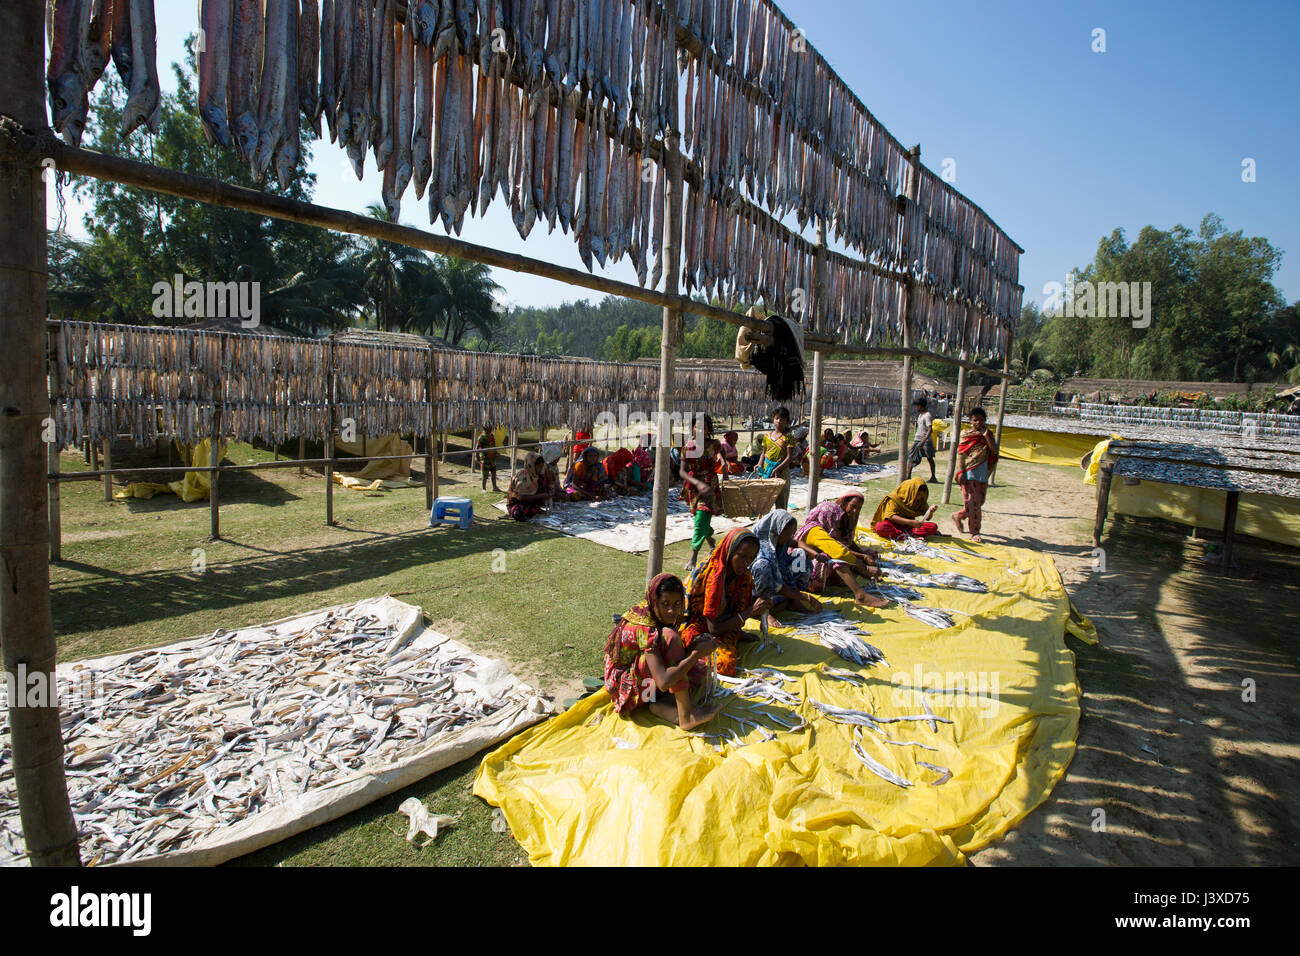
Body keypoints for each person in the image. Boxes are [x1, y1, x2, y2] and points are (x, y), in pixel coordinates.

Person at [604, 574, 723, 730]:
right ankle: (686, 716)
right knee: (672, 639)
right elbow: (664, 681)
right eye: (665, 604)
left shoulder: (653, 612)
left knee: (699, 669)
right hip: (624, 685)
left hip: (646, 682)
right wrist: (695, 654)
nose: (671, 610)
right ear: (654, 601)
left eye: (677, 603)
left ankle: (659, 705)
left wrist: (694, 650)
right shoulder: (646, 628)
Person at [682, 528, 772, 677]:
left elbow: (738, 603)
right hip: (696, 625)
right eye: (742, 556)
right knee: (724, 664)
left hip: (719, 624)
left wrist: (761, 604)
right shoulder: (714, 575)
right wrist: (750, 611)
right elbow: (713, 628)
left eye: (751, 557)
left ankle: (734, 633)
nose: (746, 562)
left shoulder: (744, 576)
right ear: (730, 551)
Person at [794, 493, 889, 608]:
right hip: (799, 576)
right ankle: (860, 595)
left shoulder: (822, 528)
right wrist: (864, 567)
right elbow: (840, 552)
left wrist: (862, 560)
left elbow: (843, 546)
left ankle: (862, 578)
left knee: (840, 557)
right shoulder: (815, 531)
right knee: (837, 559)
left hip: (805, 568)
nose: (837, 522)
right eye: (835, 518)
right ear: (827, 516)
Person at [750, 510, 822, 612]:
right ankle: (763, 611)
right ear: (776, 531)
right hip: (761, 588)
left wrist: (816, 554)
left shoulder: (779, 539)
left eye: (791, 533)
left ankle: (793, 601)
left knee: (800, 554)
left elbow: (797, 543)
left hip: (780, 581)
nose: (790, 536)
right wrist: (806, 597)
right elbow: (777, 585)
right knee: (763, 566)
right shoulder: (761, 549)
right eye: (787, 533)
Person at [681, 416, 723, 570]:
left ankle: (693, 556)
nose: (700, 430)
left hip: (710, 485)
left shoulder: (714, 444)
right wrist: (697, 483)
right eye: (696, 427)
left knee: (701, 516)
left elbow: (721, 453)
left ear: (708, 429)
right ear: (692, 428)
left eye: (703, 427)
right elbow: (682, 472)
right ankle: (710, 540)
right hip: (694, 486)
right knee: (700, 518)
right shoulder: (688, 447)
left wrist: (723, 464)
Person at [953, 406, 999, 543]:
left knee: (979, 502)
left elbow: (995, 451)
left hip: (983, 472)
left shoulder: (988, 435)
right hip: (968, 472)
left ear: (985, 420)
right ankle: (975, 531)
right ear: (970, 421)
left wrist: (986, 437)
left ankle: (958, 515)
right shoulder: (965, 435)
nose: (977, 423)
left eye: (980, 420)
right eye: (974, 420)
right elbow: (961, 454)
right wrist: (960, 472)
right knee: (973, 503)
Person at [871, 477, 940, 539]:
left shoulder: (919, 500)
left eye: (921, 495)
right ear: (910, 492)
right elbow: (890, 516)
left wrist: (930, 511)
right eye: (917, 494)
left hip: (909, 527)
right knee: (881, 527)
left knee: (933, 527)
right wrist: (910, 522)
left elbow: (927, 518)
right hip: (893, 525)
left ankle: (908, 534)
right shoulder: (894, 499)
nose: (918, 498)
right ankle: (907, 536)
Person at [506, 452, 555, 521]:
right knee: (518, 512)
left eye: (542, 466)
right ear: (531, 465)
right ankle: (533, 510)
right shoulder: (522, 477)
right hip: (517, 504)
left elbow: (548, 485)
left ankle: (535, 509)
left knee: (543, 481)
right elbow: (520, 498)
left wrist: (549, 491)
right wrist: (541, 496)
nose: (541, 469)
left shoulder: (538, 476)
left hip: (531, 504)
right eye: (539, 467)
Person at [756, 406, 796, 479]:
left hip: (781, 471)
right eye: (777, 418)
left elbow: (789, 457)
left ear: (786, 422)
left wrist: (777, 469)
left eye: (782, 419)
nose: (779, 421)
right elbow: (763, 453)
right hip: (766, 468)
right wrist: (759, 464)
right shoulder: (767, 436)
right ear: (773, 420)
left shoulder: (788, 438)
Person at [908, 397, 937, 482]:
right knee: (912, 456)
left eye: (916, 406)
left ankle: (933, 477)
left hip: (925, 440)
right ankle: (908, 475)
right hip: (918, 439)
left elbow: (930, 430)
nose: (915, 408)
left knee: (930, 458)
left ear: (920, 406)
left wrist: (922, 441)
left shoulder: (927, 415)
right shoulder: (920, 415)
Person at [476, 425, 501, 492]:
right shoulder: (481, 437)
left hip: (492, 458)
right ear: (487, 428)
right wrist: (477, 457)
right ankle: (484, 488)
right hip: (485, 458)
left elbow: (494, 446)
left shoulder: (492, 436)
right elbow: (477, 448)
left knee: (493, 473)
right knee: (485, 474)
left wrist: (496, 452)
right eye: (491, 427)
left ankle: (494, 487)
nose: (492, 428)